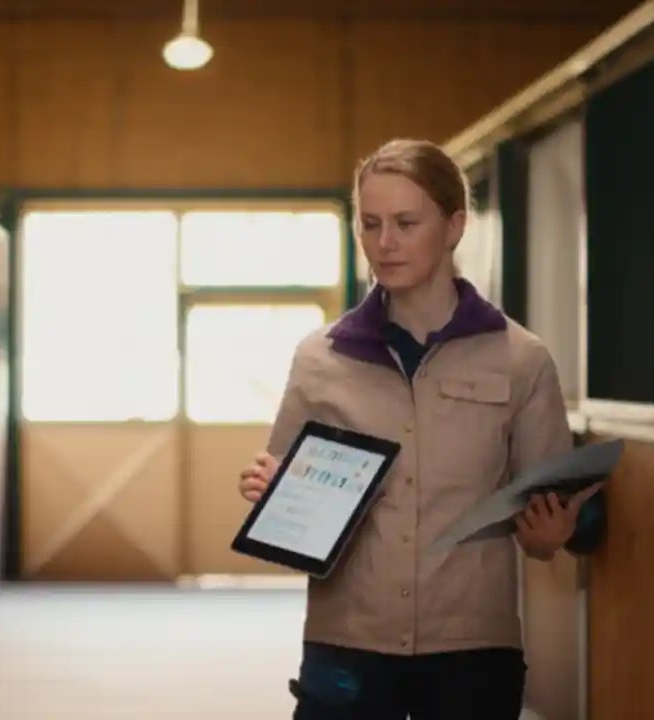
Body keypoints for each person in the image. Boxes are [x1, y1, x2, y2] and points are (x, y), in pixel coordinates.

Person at [238, 138, 603, 720]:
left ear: (454, 226)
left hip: (472, 647)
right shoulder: (319, 358)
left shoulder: (520, 359)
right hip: (347, 643)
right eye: (371, 224)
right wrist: (275, 495)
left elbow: (541, 526)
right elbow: (290, 511)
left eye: (407, 223)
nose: (385, 244)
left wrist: (548, 535)